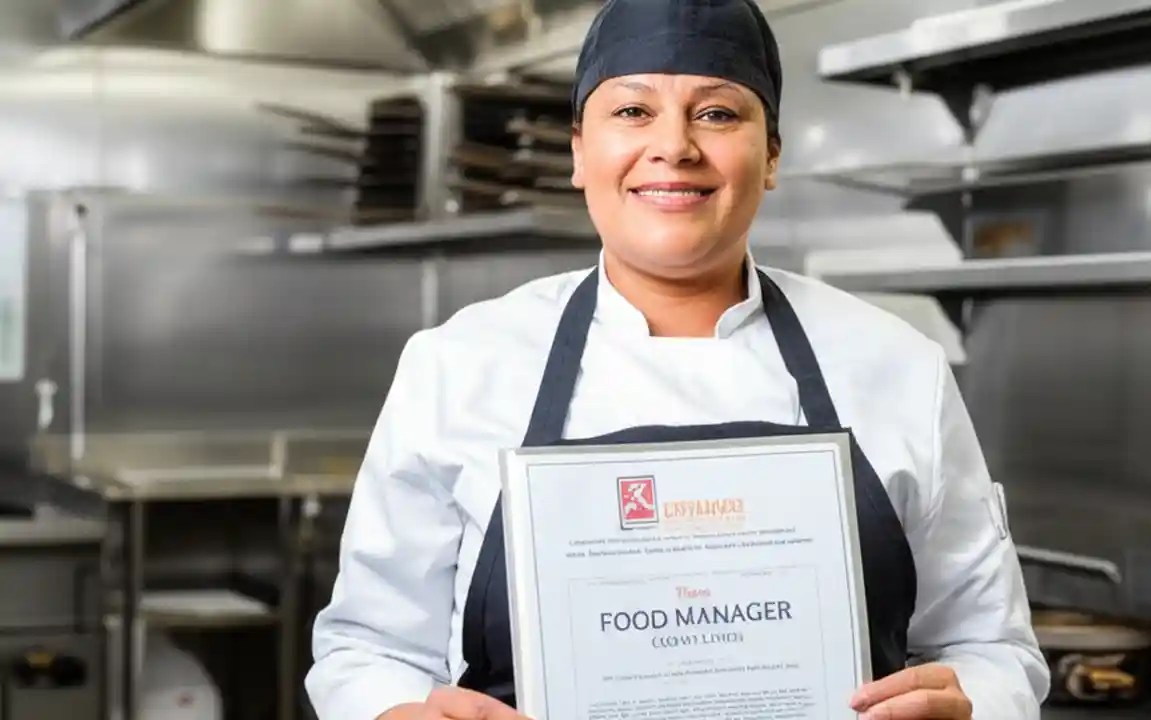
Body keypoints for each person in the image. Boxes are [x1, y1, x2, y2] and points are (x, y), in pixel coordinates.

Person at [305, 0, 1051, 718]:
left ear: (771, 158)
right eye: (632, 111)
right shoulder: (459, 365)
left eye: (719, 113)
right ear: (578, 152)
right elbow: (368, 648)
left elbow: (991, 648)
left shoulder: (896, 366)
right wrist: (393, 712)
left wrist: (970, 707)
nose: (674, 146)